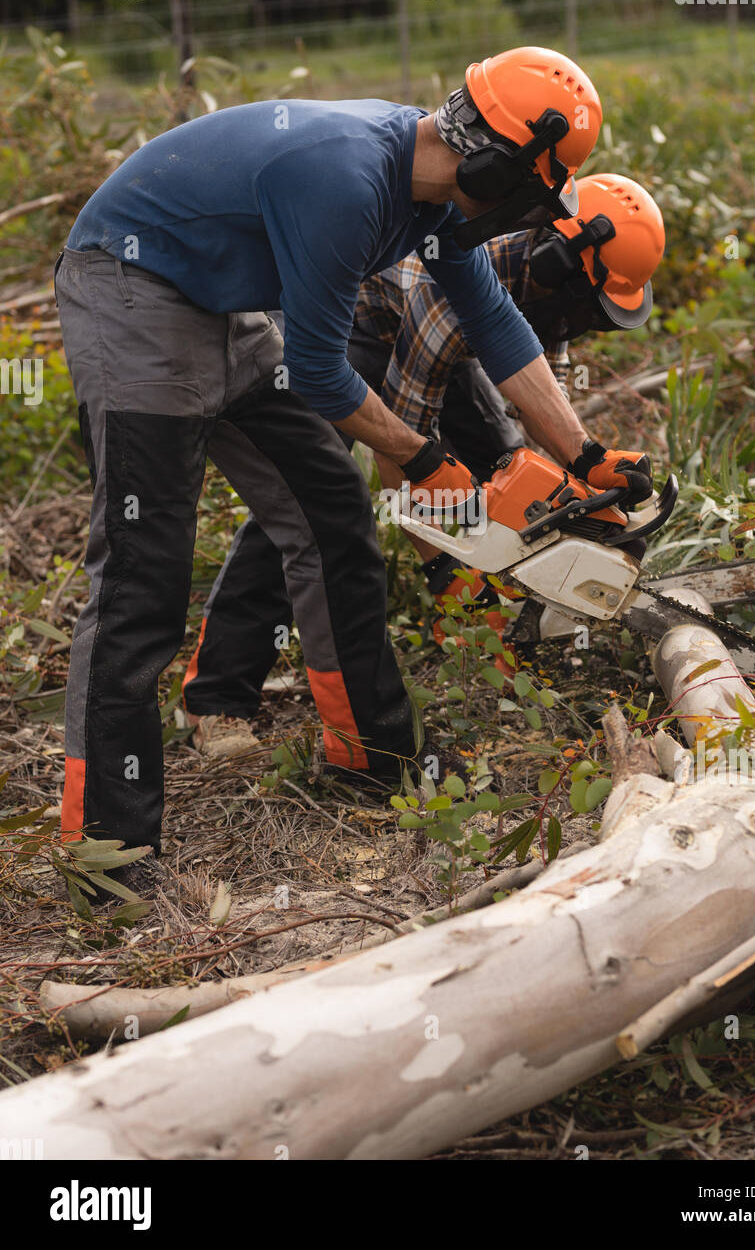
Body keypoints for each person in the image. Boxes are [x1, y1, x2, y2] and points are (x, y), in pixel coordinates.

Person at [55, 44, 653, 889]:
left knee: (331, 513)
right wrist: (422, 458)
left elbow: (492, 321)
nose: (528, 208)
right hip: (132, 286)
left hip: (218, 304)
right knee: (142, 572)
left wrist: (584, 457)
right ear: (490, 159)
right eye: (529, 185)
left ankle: (371, 755)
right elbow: (323, 365)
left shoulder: (431, 197)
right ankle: (103, 851)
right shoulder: (347, 177)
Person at [182, 173, 666, 758]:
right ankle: (217, 700)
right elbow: (404, 450)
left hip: (438, 343)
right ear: (556, 261)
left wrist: (587, 466)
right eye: (588, 307)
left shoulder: (547, 291)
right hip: (338, 333)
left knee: (506, 466)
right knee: (303, 504)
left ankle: (511, 630)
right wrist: (443, 571)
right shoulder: (450, 283)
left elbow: (542, 397)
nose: (583, 322)